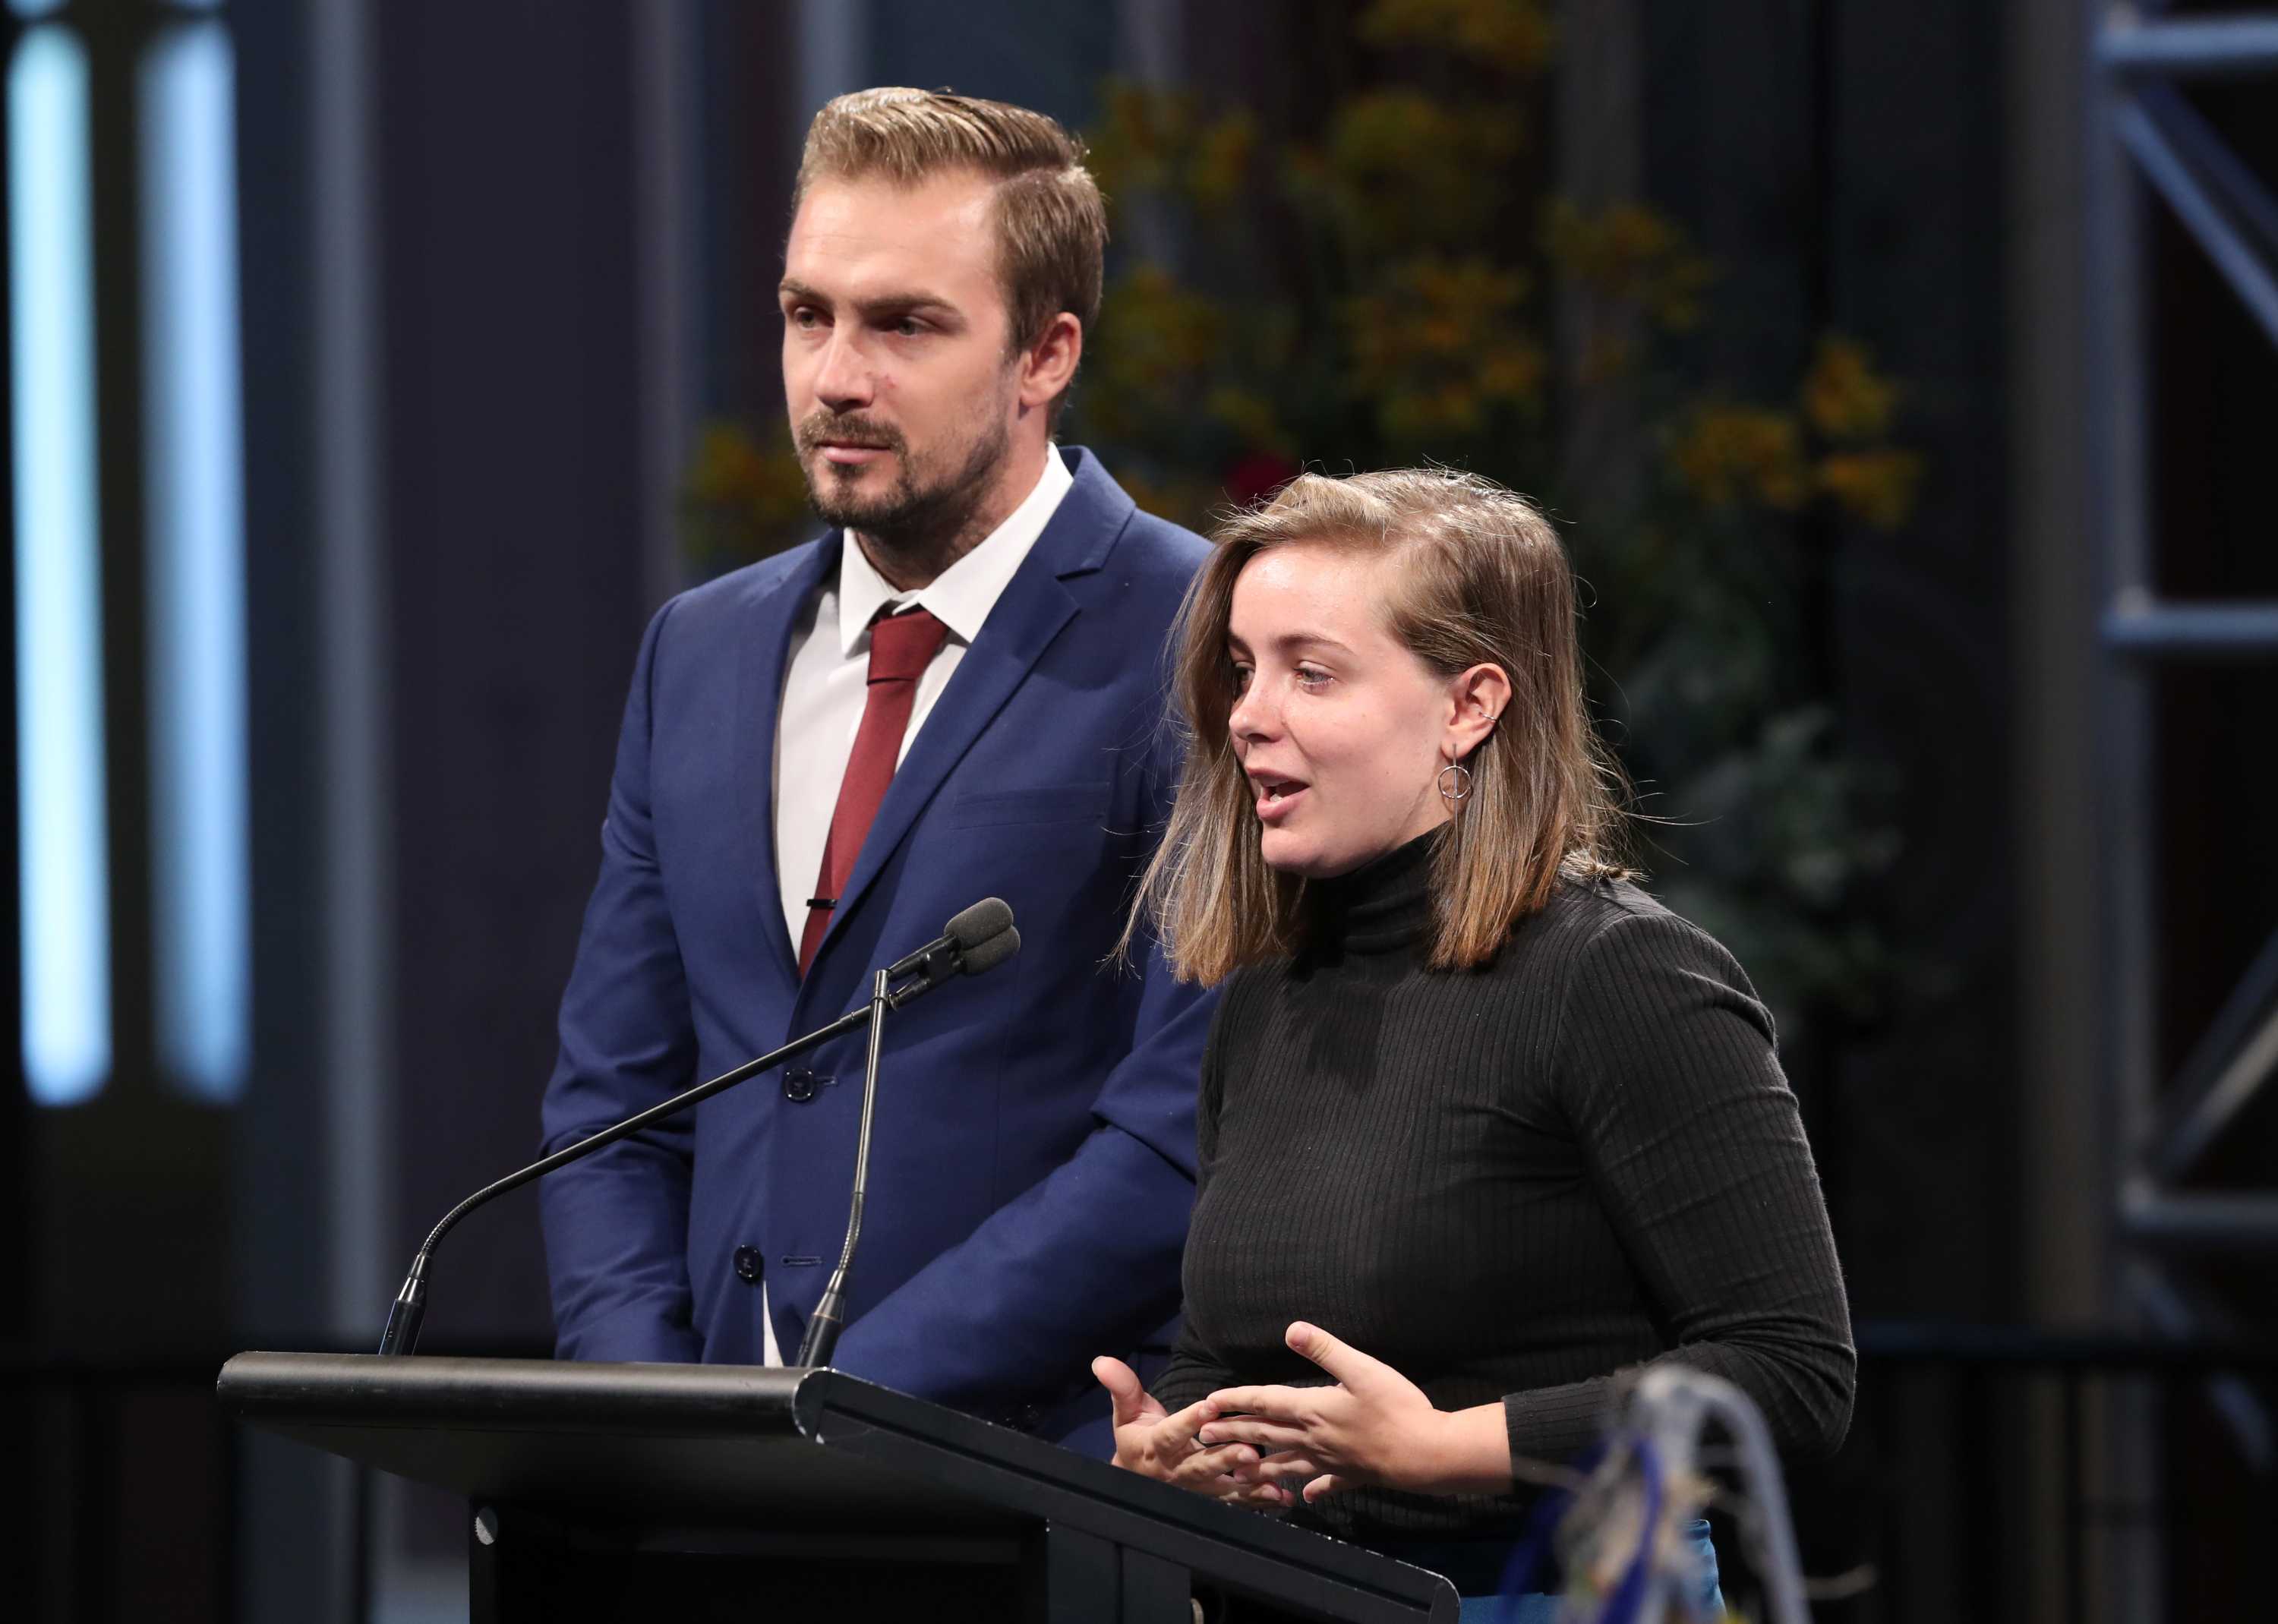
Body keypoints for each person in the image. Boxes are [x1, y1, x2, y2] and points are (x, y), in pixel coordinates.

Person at [539, 88, 1214, 1449]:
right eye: (809, 316)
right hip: (713, 1493)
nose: (837, 376)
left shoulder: (1198, 636)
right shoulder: (701, 650)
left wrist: (840, 1407)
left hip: (1033, 1475)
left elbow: (1175, 1137)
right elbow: (617, 1103)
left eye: (904, 324)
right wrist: (655, 1418)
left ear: (1045, 355)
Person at [1090, 468, 1854, 1614]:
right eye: (1245, 669)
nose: (1248, 713)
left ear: (1471, 705)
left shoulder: (1619, 977)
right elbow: (1240, 1347)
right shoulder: (1266, 993)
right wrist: (1187, 1451)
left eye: (1313, 672)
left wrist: (1448, 1447)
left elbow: (1789, 1378)